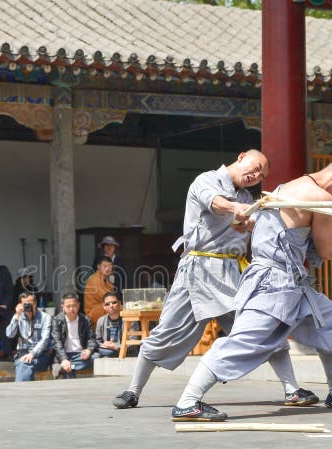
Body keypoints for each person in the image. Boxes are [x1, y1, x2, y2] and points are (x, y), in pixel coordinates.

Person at [172, 161, 332, 421]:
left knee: (327, 321)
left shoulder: (285, 188)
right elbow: (326, 250)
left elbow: (267, 229)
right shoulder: (321, 197)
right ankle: (187, 402)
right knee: (243, 341)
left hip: (289, 281)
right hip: (274, 283)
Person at [112, 149, 308, 410]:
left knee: (266, 325)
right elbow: (216, 202)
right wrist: (234, 208)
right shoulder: (207, 180)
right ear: (241, 157)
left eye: (261, 174)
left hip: (235, 273)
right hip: (199, 269)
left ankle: (292, 389)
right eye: (256, 167)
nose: (256, 175)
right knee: (166, 332)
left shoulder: (247, 197)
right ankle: (132, 391)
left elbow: (253, 223)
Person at [6, 292, 52, 382]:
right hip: (22, 353)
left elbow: (45, 340)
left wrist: (32, 354)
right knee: (24, 364)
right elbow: (9, 334)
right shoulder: (18, 316)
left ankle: (20, 392)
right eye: (25, 304)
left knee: (23, 364)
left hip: (40, 356)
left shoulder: (45, 317)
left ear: (35, 304)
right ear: (20, 305)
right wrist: (16, 317)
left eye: (30, 303)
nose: (28, 306)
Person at [51, 293, 97, 378]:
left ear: (79, 305)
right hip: (65, 354)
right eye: (68, 306)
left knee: (97, 357)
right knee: (68, 369)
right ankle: (67, 365)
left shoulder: (85, 320)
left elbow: (92, 339)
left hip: (81, 355)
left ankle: (64, 367)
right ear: (62, 306)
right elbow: (57, 343)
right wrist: (64, 359)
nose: (72, 309)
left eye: (74, 305)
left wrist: (89, 350)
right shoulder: (57, 320)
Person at [95, 291, 136, 358]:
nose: (111, 306)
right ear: (103, 307)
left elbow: (134, 342)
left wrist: (116, 347)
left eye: (114, 302)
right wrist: (104, 344)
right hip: (108, 353)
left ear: (119, 303)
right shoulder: (101, 321)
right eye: (107, 304)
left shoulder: (130, 320)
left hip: (127, 354)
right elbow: (97, 341)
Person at [84, 256, 115, 324]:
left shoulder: (106, 279)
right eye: (105, 266)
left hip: (102, 308)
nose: (107, 269)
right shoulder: (95, 280)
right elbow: (108, 298)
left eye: (110, 266)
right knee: (116, 306)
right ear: (98, 267)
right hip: (93, 313)